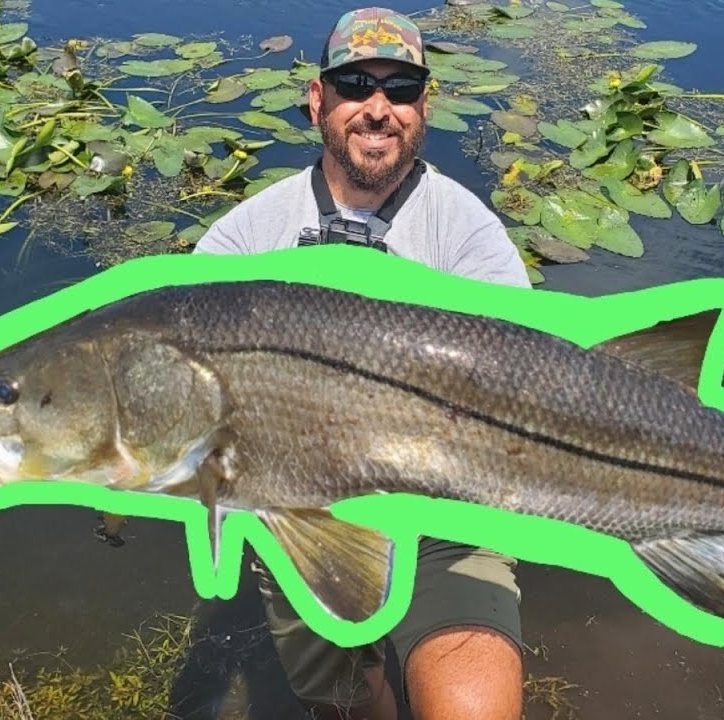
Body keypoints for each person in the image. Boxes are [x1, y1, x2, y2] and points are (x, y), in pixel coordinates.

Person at [193, 7, 531, 720]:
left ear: (423, 108)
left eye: (401, 89)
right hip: (297, 516)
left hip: (448, 514)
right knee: (347, 706)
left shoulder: (468, 235)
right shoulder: (241, 243)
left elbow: (519, 393)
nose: (378, 109)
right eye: (354, 83)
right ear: (318, 100)